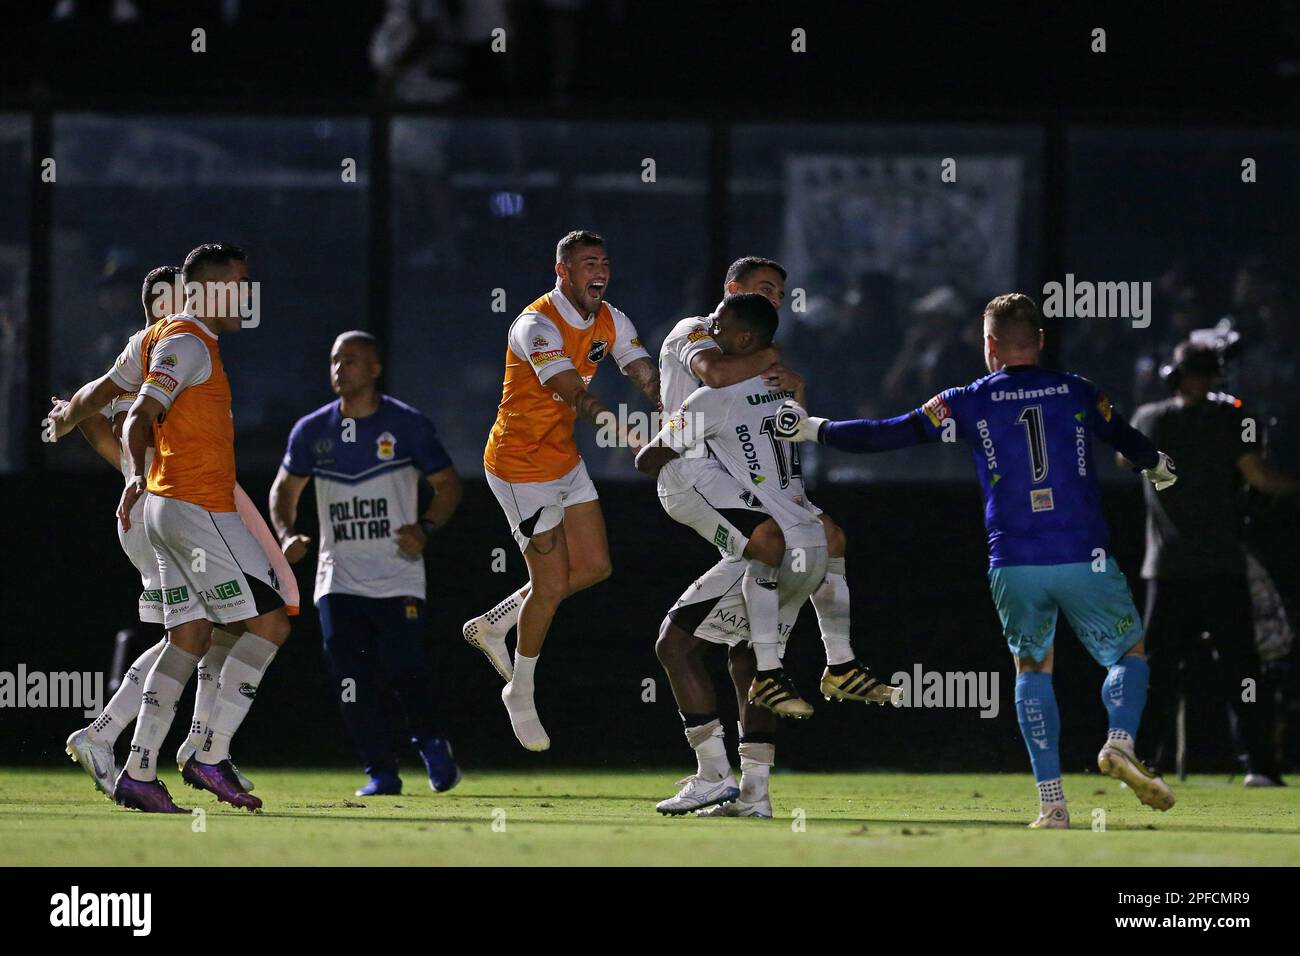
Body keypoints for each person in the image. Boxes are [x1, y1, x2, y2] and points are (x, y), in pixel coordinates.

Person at [776, 293, 1180, 828]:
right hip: (1085, 553)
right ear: (1038, 340)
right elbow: (1128, 439)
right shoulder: (1080, 391)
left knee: (1033, 667)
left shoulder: (967, 400)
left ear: (989, 345)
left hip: (1012, 559)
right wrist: (1158, 463)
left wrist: (811, 427)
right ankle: (1120, 742)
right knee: (1127, 652)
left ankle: (1053, 805)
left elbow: (888, 434)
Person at [48, 265, 260, 799]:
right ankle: (183, 748)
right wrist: (134, 474)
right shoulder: (168, 346)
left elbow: (93, 407)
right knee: (201, 632)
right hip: (162, 508)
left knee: (198, 631)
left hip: (154, 505)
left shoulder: (143, 349)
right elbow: (114, 416)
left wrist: (74, 424)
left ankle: (143, 742)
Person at [656, 256, 897, 722]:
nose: (774, 299)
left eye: (780, 295)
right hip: (698, 477)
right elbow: (714, 375)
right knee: (770, 543)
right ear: (733, 288)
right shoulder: (701, 331)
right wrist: (770, 357)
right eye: (764, 288)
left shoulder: (755, 351)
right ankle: (762, 690)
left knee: (829, 539)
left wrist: (797, 388)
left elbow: (785, 426)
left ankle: (837, 667)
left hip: (750, 478)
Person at [637, 294, 840, 816]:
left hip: (776, 548)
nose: (711, 328)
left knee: (675, 645)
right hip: (809, 544)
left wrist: (670, 444)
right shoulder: (784, 391)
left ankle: (711, 774)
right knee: (746, 655)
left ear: (746, 338)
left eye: (721, 323)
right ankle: (755, 795)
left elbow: (649, 457)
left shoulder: (715, 395)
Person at [463, 230, 658, 751]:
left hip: (563, 460)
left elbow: (641, 369)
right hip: (517, 466)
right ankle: (520, 693)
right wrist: (618, 427)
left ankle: (494, 623)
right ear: (563, 272)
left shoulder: (611, 318)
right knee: (548, 586)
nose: (600, 271)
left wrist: (670, 404)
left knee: (594, 566)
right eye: (588, 263)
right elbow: (571, 390)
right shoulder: (535, 324)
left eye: (605, 261)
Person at [114, 242, 292, 813]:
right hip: (195, 510)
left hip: (175, 509)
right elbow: (139, 413)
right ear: (206, 289)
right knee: (270, 624)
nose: (246, 294)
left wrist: (138, 479)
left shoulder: (193, 342)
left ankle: (139, 771)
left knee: (189, 637)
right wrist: (133, 475)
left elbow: (127, 404)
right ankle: (208, 754)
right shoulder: (188, 342)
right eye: (238, 283)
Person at [270, 331, 464, 797]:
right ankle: (381, 772)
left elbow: (449, 485)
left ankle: (432, 743)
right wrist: (285, 535)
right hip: (337, 578)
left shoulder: (407, 425)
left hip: (398, 573)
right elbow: (284, 491)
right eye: (335, 360)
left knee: (406, 667)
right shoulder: (311, 430)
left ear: (375, 369)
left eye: (352, 360)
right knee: (351, 680)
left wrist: (426, 528)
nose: (341, 369)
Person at [1130, 341, 1299, 786]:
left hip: (1167, 569)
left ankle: (1143, 758)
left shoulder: (1149, 419)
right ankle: (1259, 764)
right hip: (1220, 567)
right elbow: (1259, 476)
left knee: (1158, 673)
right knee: (1243, 669)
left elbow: (1127, 458)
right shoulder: (1234, 419)